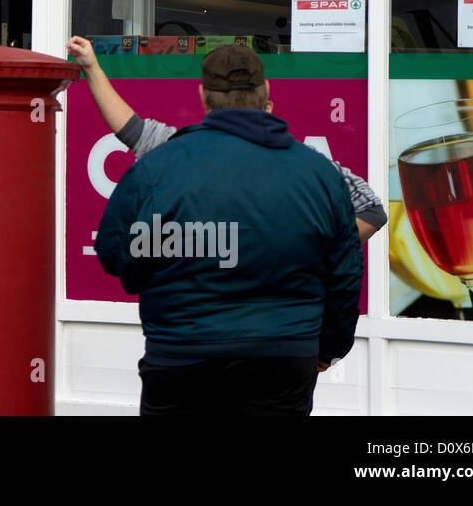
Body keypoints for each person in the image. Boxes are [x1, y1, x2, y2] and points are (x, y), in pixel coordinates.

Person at [88, 43, 364, 415]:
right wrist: (328, 347)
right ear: (266, 96)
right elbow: (344, 273)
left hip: (183, 356)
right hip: (283, 358)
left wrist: (162, 267)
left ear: (204, 96)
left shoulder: (160, 167)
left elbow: (116, 251)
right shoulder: (319, 173)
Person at [66, 36, 387, 240]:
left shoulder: (180, 152)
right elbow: (372, 210)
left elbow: (131, 130)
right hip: (285, 342)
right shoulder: (310, 164)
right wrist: (316, 253)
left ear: (204, 99)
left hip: (196, 341)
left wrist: (92, 68)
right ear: (268, 105)